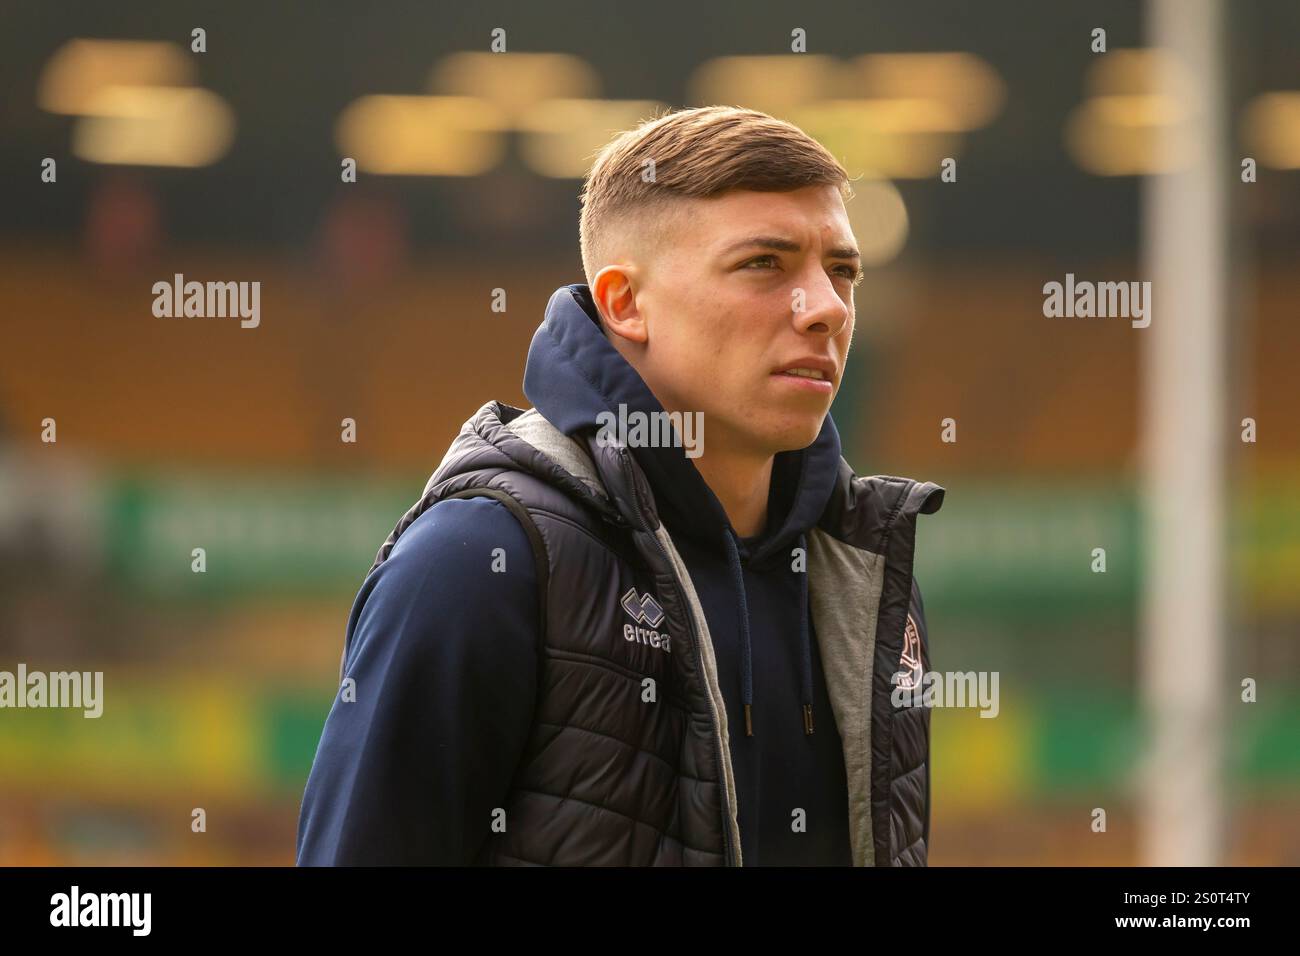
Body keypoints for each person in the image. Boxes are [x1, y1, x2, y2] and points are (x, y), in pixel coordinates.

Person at [296, 105, 944, 866]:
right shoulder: (480, 560)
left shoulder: (862, 573)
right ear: (625, 304)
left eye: (842, 271)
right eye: (765, 264)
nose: (828, 309)